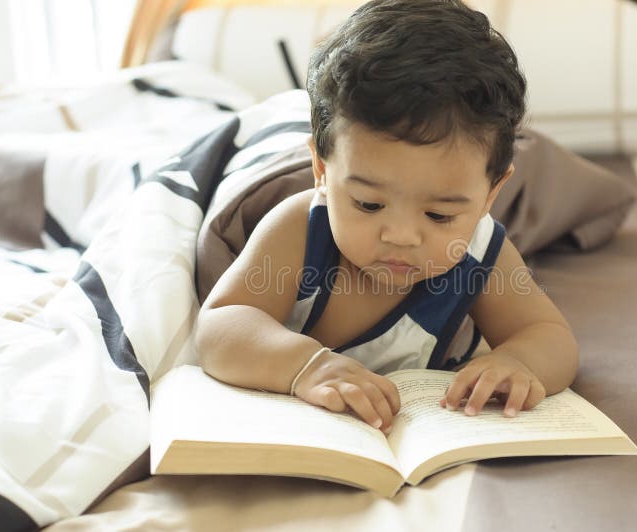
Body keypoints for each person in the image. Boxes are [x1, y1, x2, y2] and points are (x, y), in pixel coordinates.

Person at [195, 0, 578, 436]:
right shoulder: (299, 230)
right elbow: (220, 325)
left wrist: (516, 361)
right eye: (368, 205)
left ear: (492, 192)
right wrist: (304, 365)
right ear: (321, 171)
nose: (400, 236)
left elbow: (549, 334)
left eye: (439, 214)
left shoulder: (477, 252)